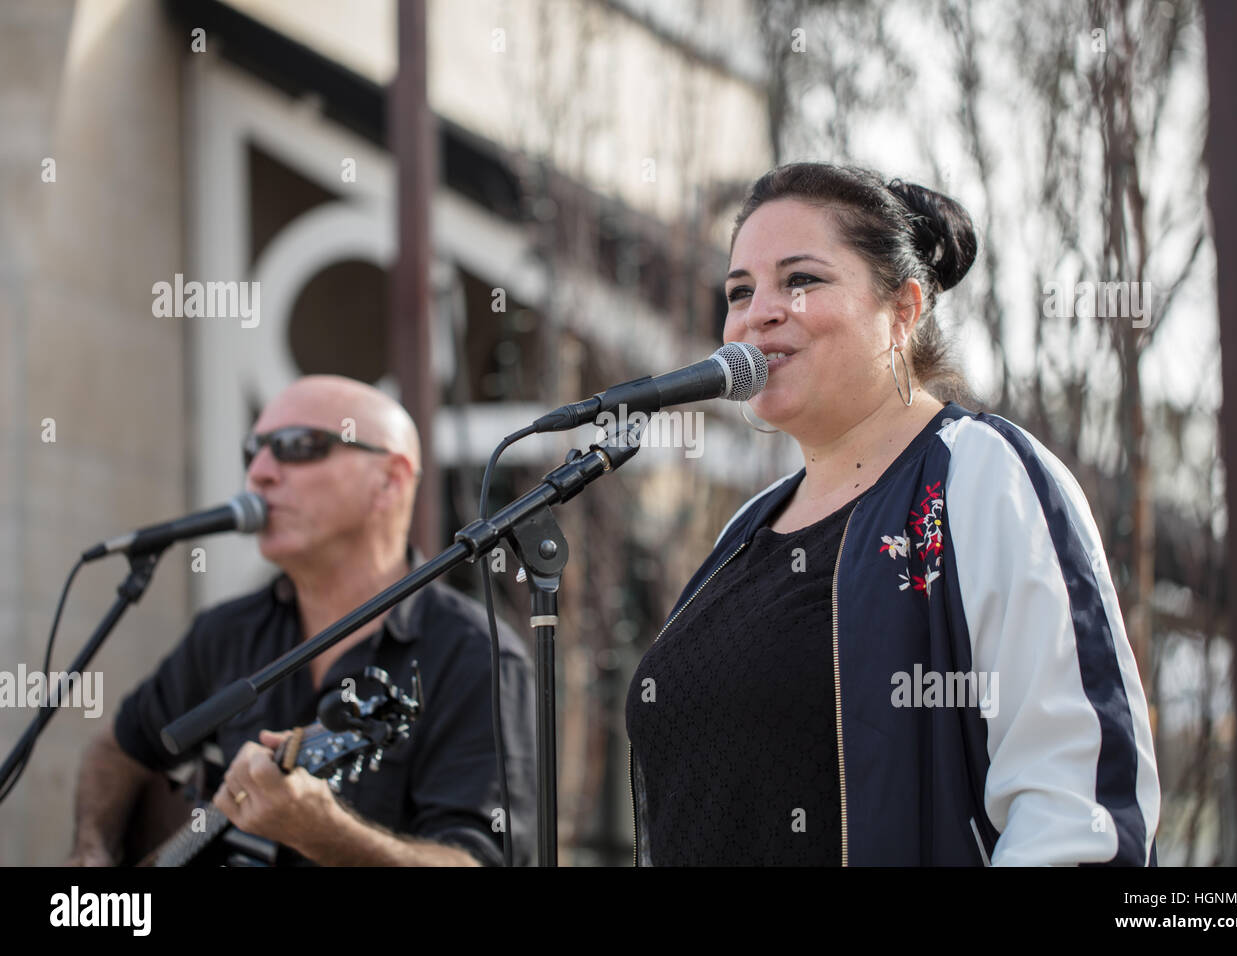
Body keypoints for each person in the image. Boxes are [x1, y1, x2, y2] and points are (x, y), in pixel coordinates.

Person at [625, 163, 1160, 866]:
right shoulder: (742, 534)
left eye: (802, 280)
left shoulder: (982, 475)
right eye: (740, 291)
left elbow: (1077, 807)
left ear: (904, 310)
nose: (759, 311)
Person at [68, 375, 535, 866]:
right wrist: (90, 848)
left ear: (390, 480)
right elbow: (120, 747)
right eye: (255, 450)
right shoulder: (226, 632)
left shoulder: (475, 656)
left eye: (297, 447)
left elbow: (476, 861)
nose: (260, 475)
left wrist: (325, 833)